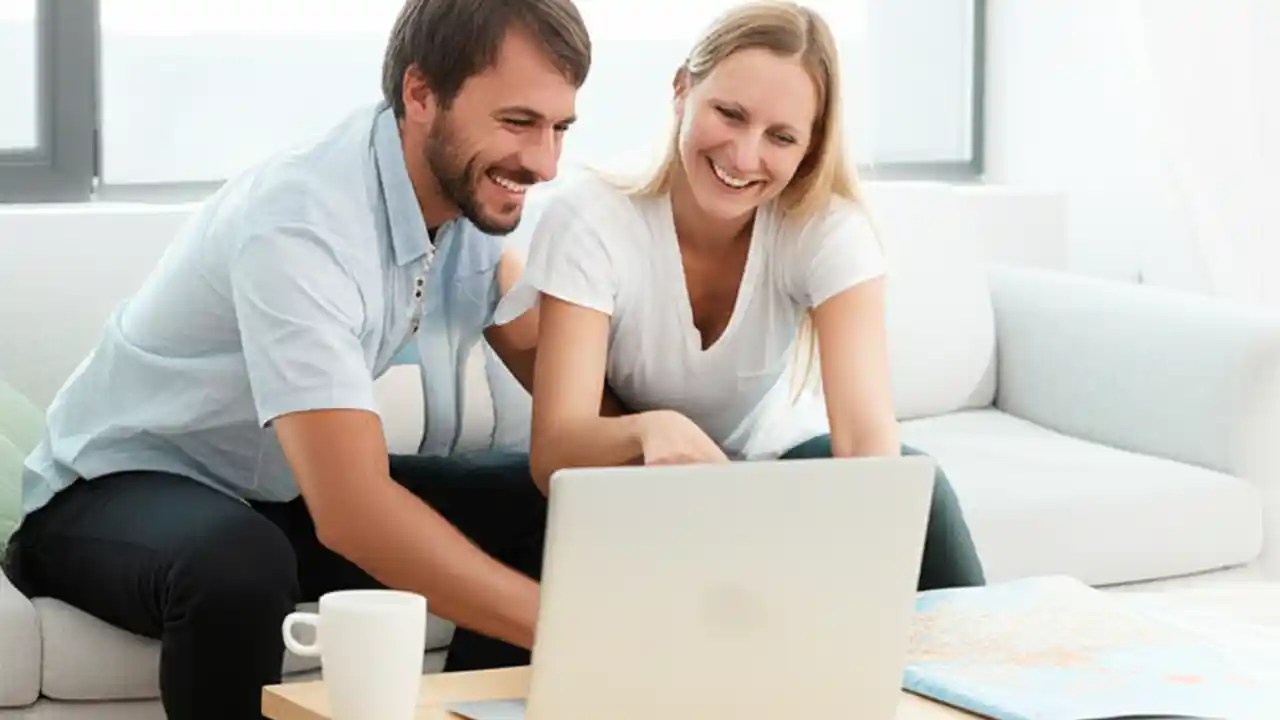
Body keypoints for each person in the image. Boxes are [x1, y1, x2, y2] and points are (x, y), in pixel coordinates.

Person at [0, 1, 590, 718]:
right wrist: (577, 630)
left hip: (269, 499)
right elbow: (353, 511)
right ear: (421, 94)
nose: (544, 162)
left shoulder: (467, 198)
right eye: (518, 122)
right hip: (109, 494)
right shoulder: (304, 221)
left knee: (554, 504)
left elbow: (561, 387)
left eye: (559, 128)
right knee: (239, 564)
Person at [495, 0, 986, 590]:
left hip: (765, 476)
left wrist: (864, 590)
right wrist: (652, 430)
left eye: (781, 136)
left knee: (919, 487)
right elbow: (556, 451)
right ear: (682, 90)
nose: (745, 155)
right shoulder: (593, 219)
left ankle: (958, 676)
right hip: (630, 482)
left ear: (810, 147)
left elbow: (866, 445)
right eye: (729, 113)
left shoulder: (829, 232)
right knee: (546, 528)